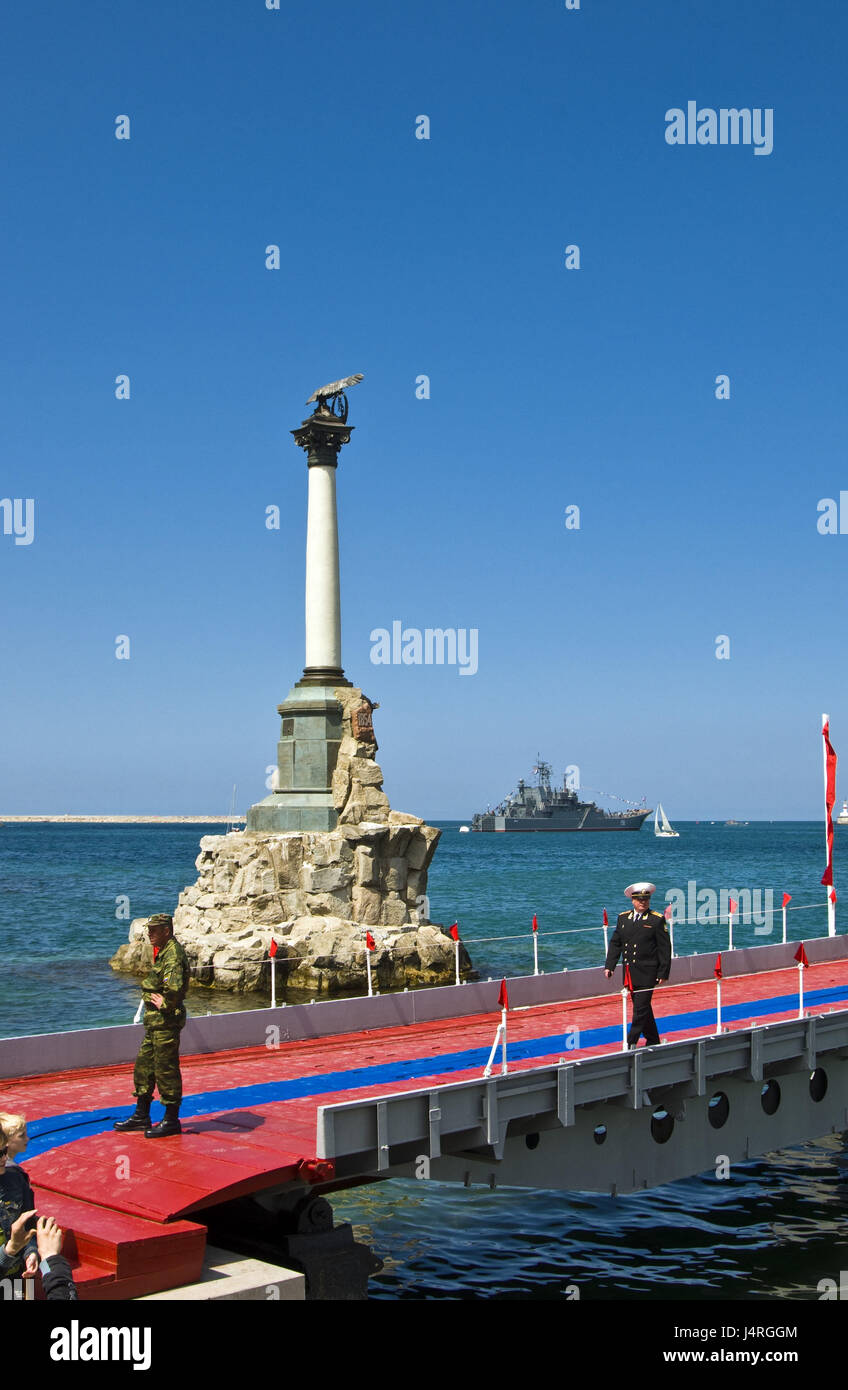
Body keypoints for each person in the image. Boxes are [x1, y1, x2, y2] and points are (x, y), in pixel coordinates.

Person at [114, 913, 189, 1138]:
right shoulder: (164, 952)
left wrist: (164, 1004)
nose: (150, 934)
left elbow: (174, 987)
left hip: (166, 1021)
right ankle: (141, 1115)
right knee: (144, 1067)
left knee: (166, 1069)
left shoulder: (173, 955)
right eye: (149, 930)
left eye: (154, 930)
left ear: (166, 930)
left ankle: (171, 1119)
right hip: (155, 1023)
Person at [604, 881, 671, 1047]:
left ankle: (630, 1041)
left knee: (640, 1008)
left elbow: (664, 948)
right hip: (630, 972)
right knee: (643, 1007)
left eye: (646, 899)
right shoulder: (623, 918)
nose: (643, 902)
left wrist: (663, 972)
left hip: (648, 972)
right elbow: (616, 943)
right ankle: (653, 1038)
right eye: (640, 900)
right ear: (633, 900)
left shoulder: (656, 920)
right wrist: (609, 966)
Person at [0, 1126, 38, 1280]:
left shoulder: (16, 1180)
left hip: (13, 1277)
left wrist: (31, 1253)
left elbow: (28, 1226)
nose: (4, 1158)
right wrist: (9, 1251)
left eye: (4, 1151)